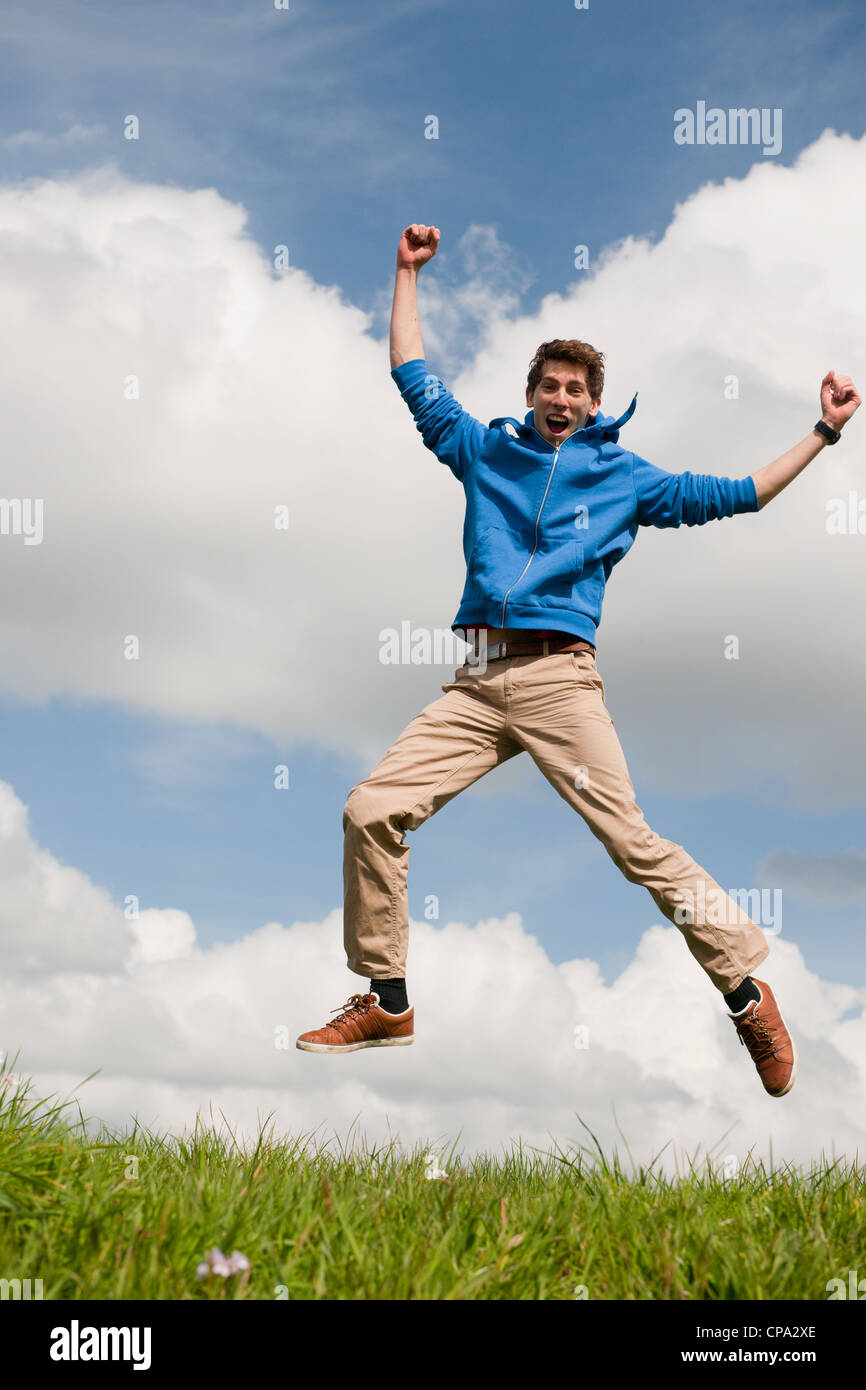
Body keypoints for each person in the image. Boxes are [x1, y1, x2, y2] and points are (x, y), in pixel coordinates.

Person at [297, 223, 860, 1097]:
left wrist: (821, 434)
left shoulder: (625, 479)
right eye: (549, 385)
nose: (562, 398)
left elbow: (740, 497)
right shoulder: (486, 451)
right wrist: (405, 274)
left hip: (562, 679)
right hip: (481, 680)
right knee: (371, 807)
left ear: (593, 405)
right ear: (530, 395)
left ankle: (746, 993)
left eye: (576, 389)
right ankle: (389, 998)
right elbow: (410, 374)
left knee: (634, 844)